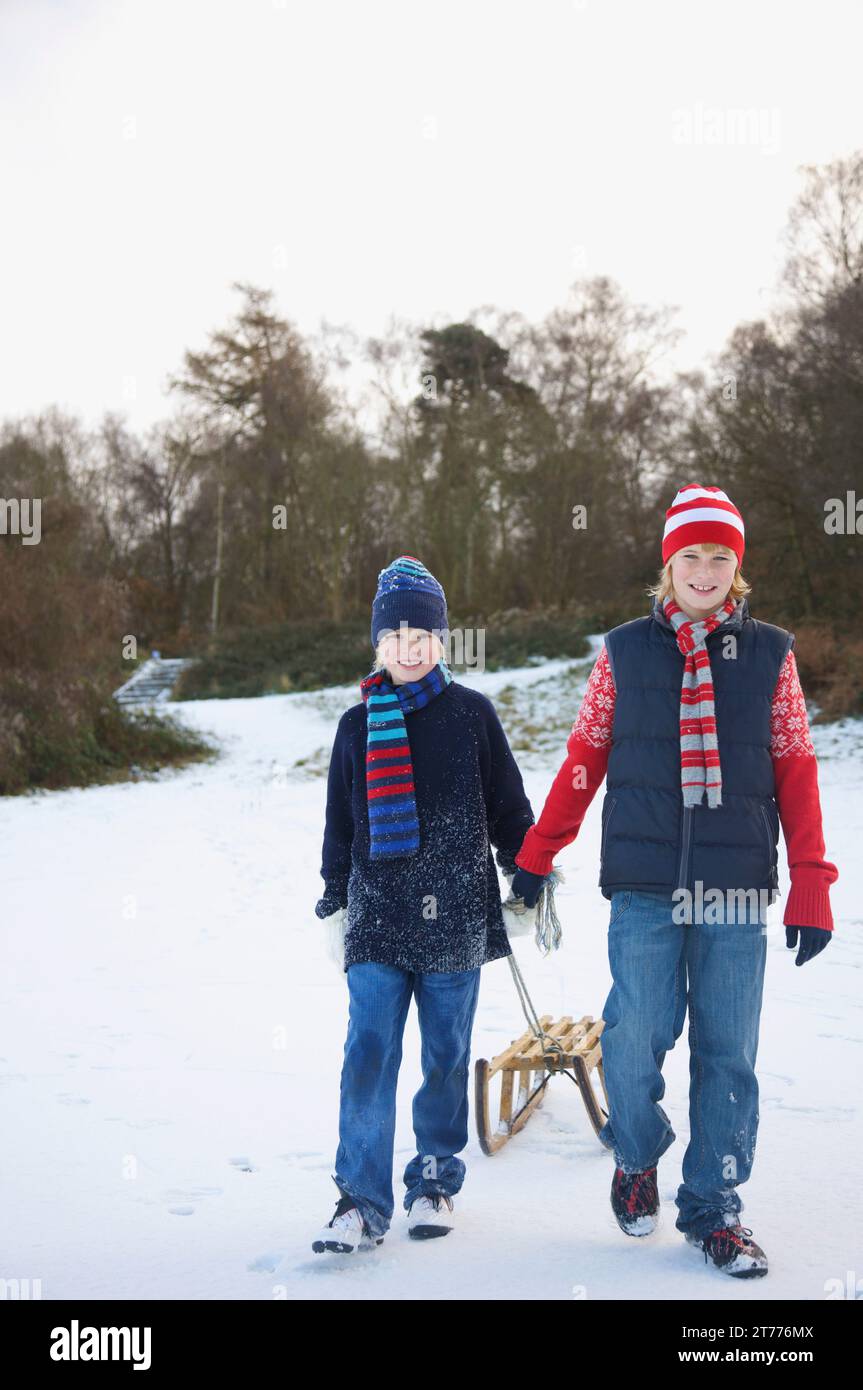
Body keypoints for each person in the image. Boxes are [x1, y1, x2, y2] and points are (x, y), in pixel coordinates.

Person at [510, 484, 838, 1278]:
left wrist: (811, 881)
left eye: (719, 556)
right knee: (631, 1041)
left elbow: (794, 773)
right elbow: (584, 759)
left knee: (728, 1055)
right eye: (690, 554)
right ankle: (636, 1156)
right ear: (667, 565)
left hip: (733, 890)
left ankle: (714, 1208)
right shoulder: (623, 653)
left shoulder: (770, 655)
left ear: (737, 568)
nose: (704, 569)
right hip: (645, 886)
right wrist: (535, 854)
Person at [312, 554, 535, 1253]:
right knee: (369, 1050)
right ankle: (359, 1202)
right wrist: (332, 904)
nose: (408, 647)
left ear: (442, 640)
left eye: (422, 635)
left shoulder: (471, 716)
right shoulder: (355, 727)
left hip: (456, 918)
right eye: (394, 636)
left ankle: (433, 1179)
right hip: (376, 915)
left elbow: (509, 809)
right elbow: (339, 826)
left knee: (445, 1053)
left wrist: (527, 879)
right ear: (376, 644)